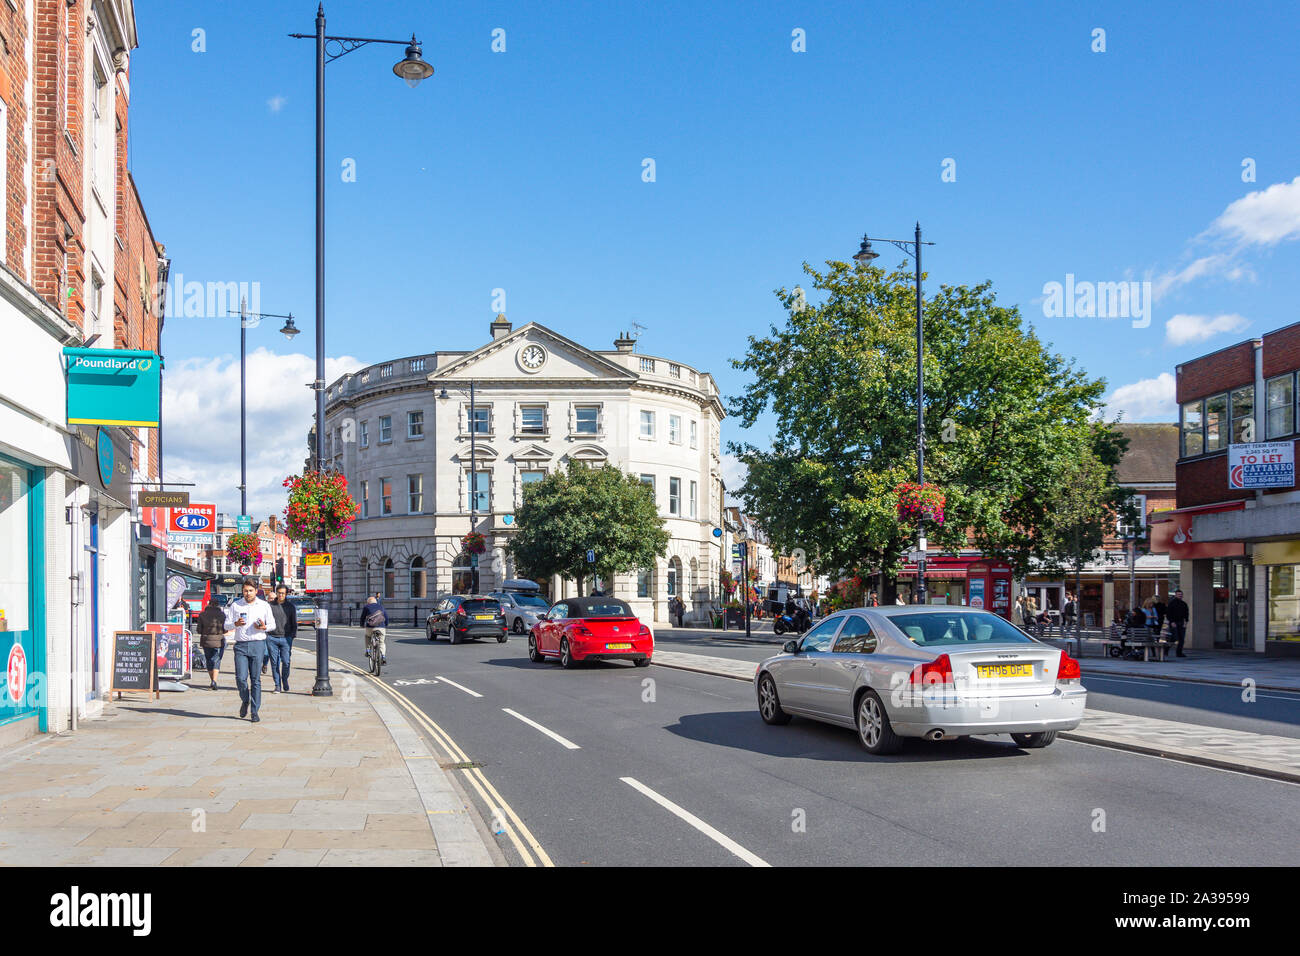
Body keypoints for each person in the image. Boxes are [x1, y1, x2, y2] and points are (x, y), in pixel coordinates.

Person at [224, 578, 272, 722]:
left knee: (255, 680)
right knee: (240, 678)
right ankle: (245, 700)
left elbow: (272, 624)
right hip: (241, 645)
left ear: (256, 591)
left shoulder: (264, 605)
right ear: (242, 591)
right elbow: (226, 625)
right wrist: (235, 623)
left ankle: (255, 711)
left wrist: (264, 627)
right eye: (245, 590)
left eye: (251, 591)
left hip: (258, 644)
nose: (248, 593)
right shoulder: (236, 605)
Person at [266, 584, 297, 694]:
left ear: (286, 594)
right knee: (274, 663)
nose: (281, 595)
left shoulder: (290, 607)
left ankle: (284, 679)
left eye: (283, 593)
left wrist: (292, 637)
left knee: (286, 662)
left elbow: (294, 623)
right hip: (272, 638)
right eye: (279, 593)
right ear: (276, 593)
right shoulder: (269, 606)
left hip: (286, 638)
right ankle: (277, 685)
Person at [196, 597, 230, 691]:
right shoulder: (222, 615)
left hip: (206, 640)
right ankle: (214, 680)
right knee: (216, 660)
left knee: (209, 660)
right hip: (219, 640)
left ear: (209, 604)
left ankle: (212, 680)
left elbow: (199, 630)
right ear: (218, 604)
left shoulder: (202, 615)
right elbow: (225, 629)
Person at [362, 592, 389, 664]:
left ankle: (368, 650)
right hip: (381, 627)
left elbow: (362, 617)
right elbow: (386, 617)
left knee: (367, 636)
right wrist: (386, 625)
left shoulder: (366, 607)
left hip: (370, 627)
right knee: (381, 642)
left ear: (368, 602)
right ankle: (383, 656)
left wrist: (361, 625)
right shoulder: (381, 607)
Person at [1166, 588, 1189, 657]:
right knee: (1173, 638)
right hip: (1174, 623)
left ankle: (1179, 653)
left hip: (1181, 622)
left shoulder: (1184, 604)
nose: (1180, 595)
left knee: (1181, 638)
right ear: (1175, 595)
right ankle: (1165, 650)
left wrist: (1186, 621)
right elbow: (1168, 613)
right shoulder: (1171, 603)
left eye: (1181, 594)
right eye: (1178, 594)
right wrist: (1172, 621)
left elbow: (1186, 613)